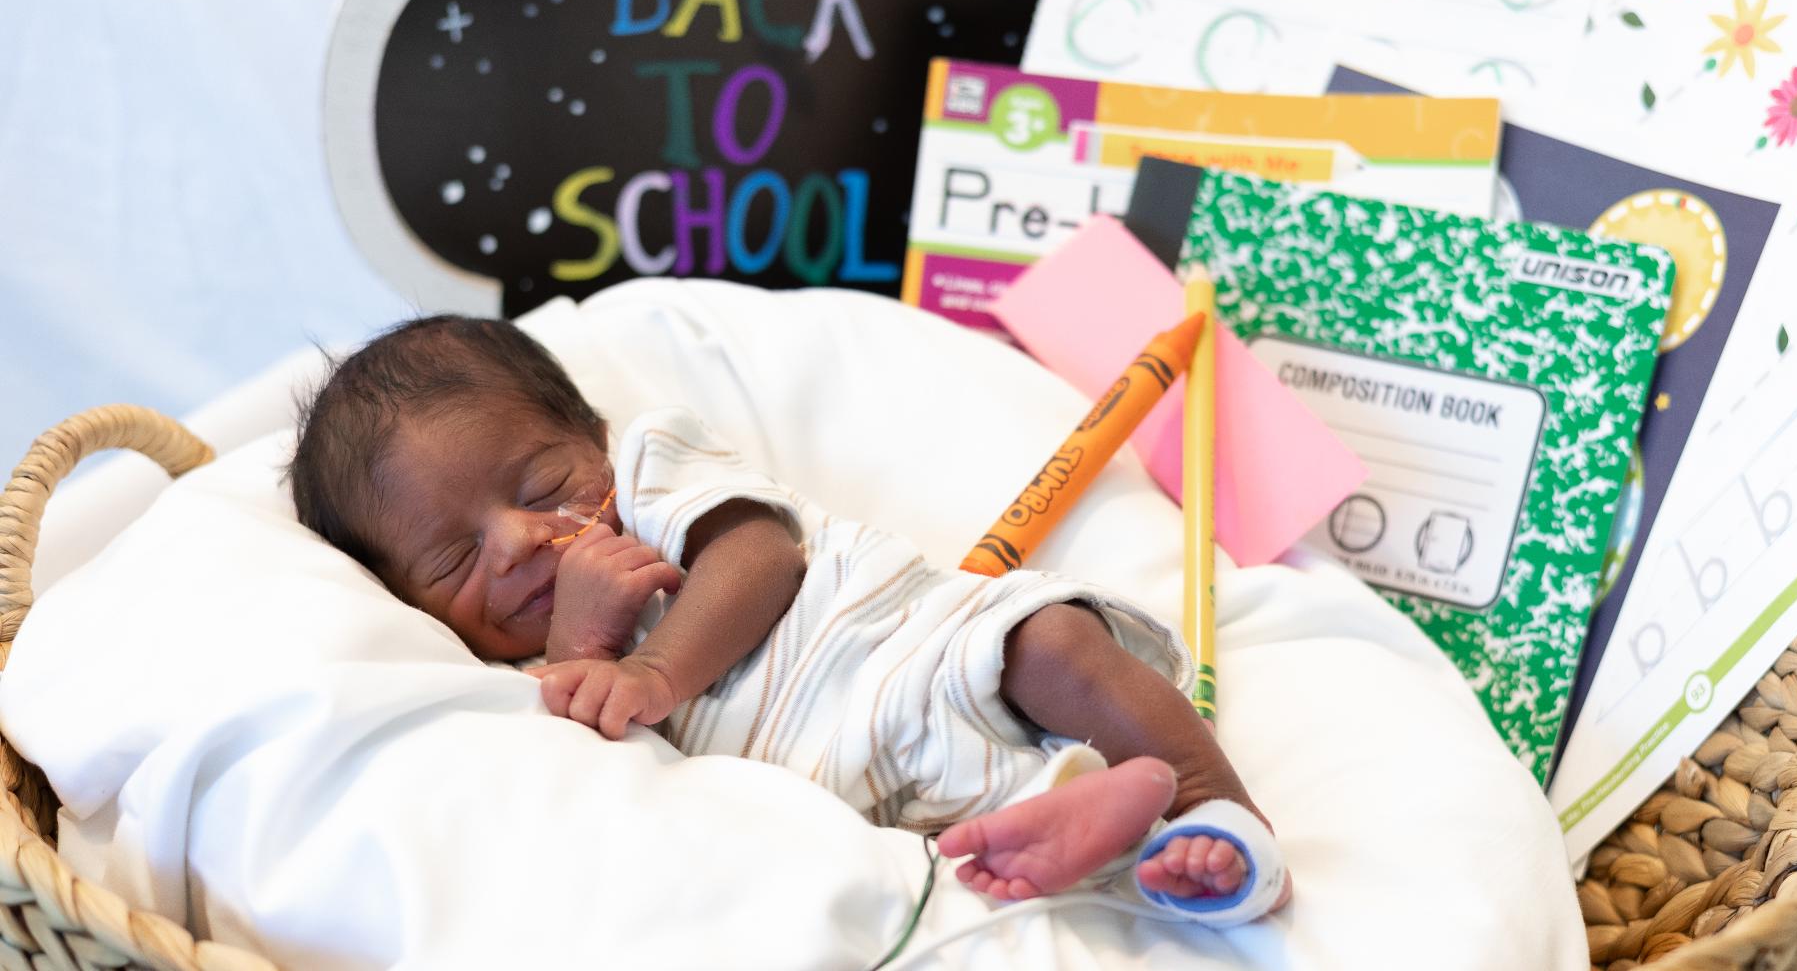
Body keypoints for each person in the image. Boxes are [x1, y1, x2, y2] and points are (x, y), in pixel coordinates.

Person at [289, 314, 1289, 921]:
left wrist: (650, 673)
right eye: (456, 558)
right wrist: (578, 650)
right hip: (859, 791)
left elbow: (762, 555)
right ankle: (1167, 857)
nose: (513, 541)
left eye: (542, 483)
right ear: (412, 603)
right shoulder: (514, 685)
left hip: (916, 650)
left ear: (590, 436)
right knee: (985, 863)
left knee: (1052, 643)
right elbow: (593, 780)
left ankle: (1212, 798)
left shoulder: (645, 473)